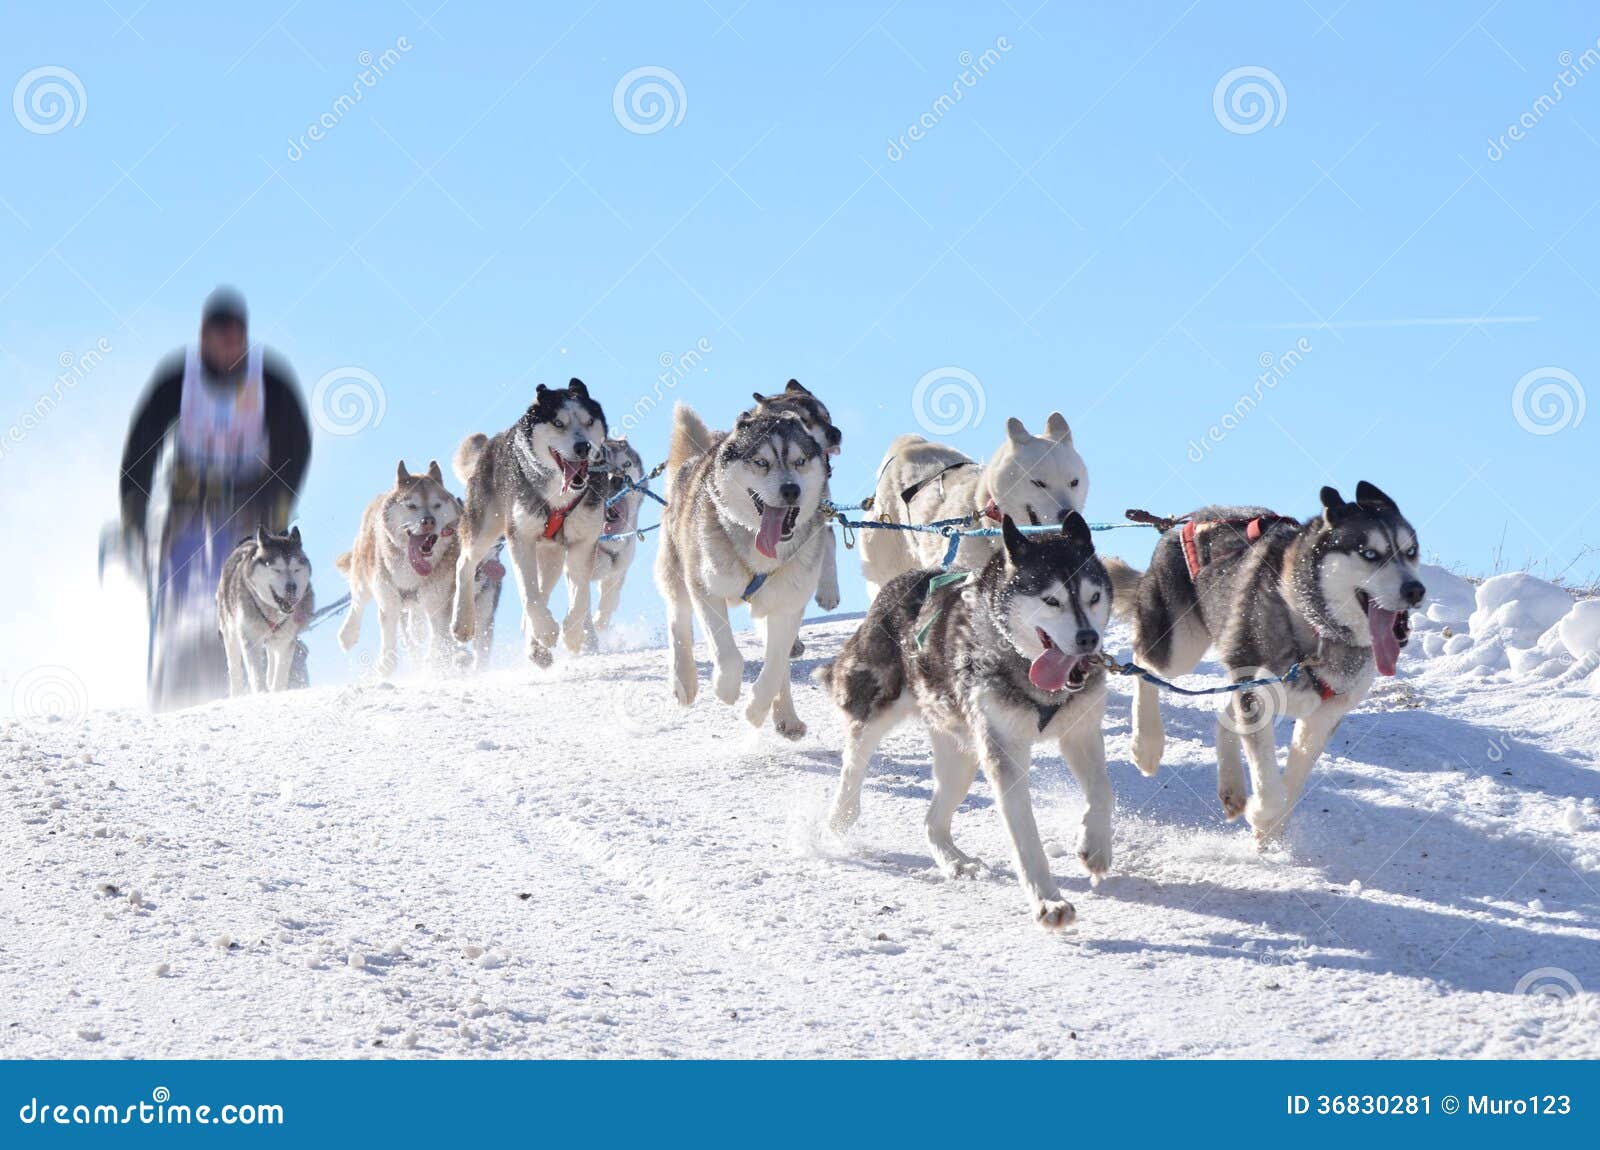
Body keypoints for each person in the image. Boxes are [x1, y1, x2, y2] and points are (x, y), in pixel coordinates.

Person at [116, 287, 312, 710]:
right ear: (203, 337)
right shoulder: (177, 382)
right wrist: (135, 509)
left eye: (235, 340)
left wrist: (277, 498)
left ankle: (286, 666)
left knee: (268, 582)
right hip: (191, 506)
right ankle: (176, 686)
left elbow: (295, 444)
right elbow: (142, 447)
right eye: (218, 340)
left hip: (253, 507)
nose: (227, 350)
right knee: (187, 593)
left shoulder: (268, 382)